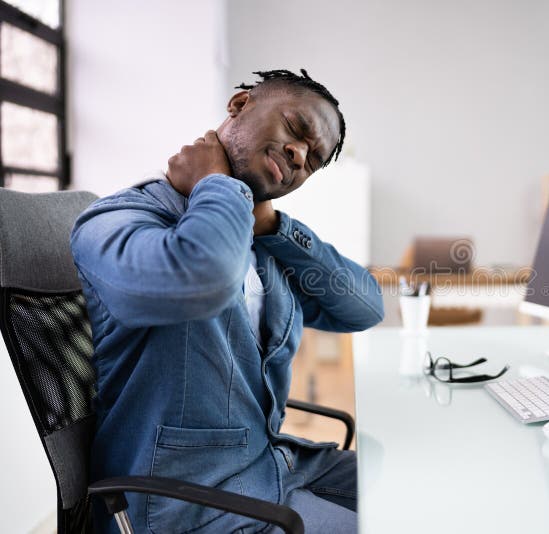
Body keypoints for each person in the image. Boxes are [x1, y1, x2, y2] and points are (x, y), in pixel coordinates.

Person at [71, 69, 384, 533]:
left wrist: (275, 228)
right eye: (295, 129)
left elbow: (365, 306)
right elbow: (201, 280)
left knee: (427, 490)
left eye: (314, 160)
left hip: (273, 467)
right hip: (188, 503)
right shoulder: (119, 219)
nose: (299, 156)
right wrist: (219, 185)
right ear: (239, 105)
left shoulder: (265, 244)